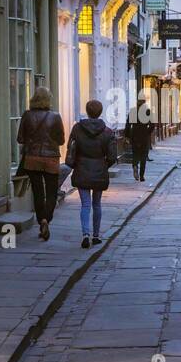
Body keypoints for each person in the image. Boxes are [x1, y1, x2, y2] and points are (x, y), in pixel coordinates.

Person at [16, 86, 65, 242]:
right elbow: (61, 140)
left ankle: (41, 220)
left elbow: (20, 139)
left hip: (32, 158)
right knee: (51, 192)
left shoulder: (27, 115)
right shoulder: (55, 116)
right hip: (51, 158)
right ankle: (47, 220)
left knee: (38, 192)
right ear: (48, 99)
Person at [67, 99, 118, 249]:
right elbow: (112, 156)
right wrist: (103, 165)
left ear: (87, 111)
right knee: (97, 204)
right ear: (100, 112)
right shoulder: (107, 132)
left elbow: (72, 149)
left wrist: (75, 163)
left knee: (85, 204)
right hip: (99, 171)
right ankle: (96, 235)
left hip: (82, 169)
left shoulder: (77, 129)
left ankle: (85, 234)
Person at [126, 99, 156, 183]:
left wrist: (127, 136)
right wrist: (148, 132)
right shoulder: (148, 112)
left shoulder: (133, 111)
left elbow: (128, 124)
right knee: (143, 156)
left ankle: (135, 166)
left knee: (135, 154)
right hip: (144, 136)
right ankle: (142, 176)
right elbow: (152, 124)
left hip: (134, 136)